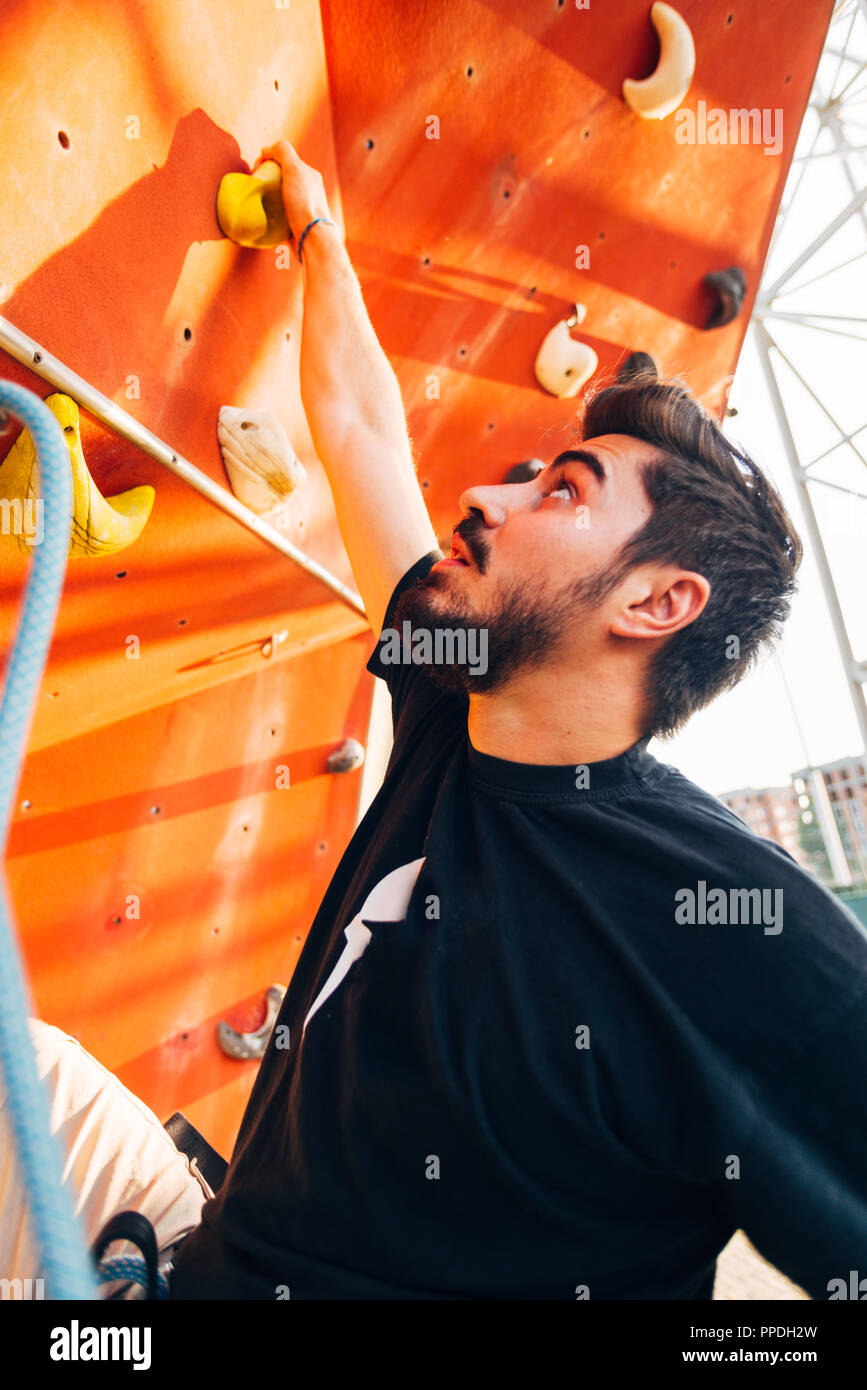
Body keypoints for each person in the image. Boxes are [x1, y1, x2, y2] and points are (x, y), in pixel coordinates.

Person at [3, 140, 866, 1301]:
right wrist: (317, 234)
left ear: (658, 601)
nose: (485, 496)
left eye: (562, 490)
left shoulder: (728, 922)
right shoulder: (454, 696)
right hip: (192, 1248)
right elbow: (361, 432)